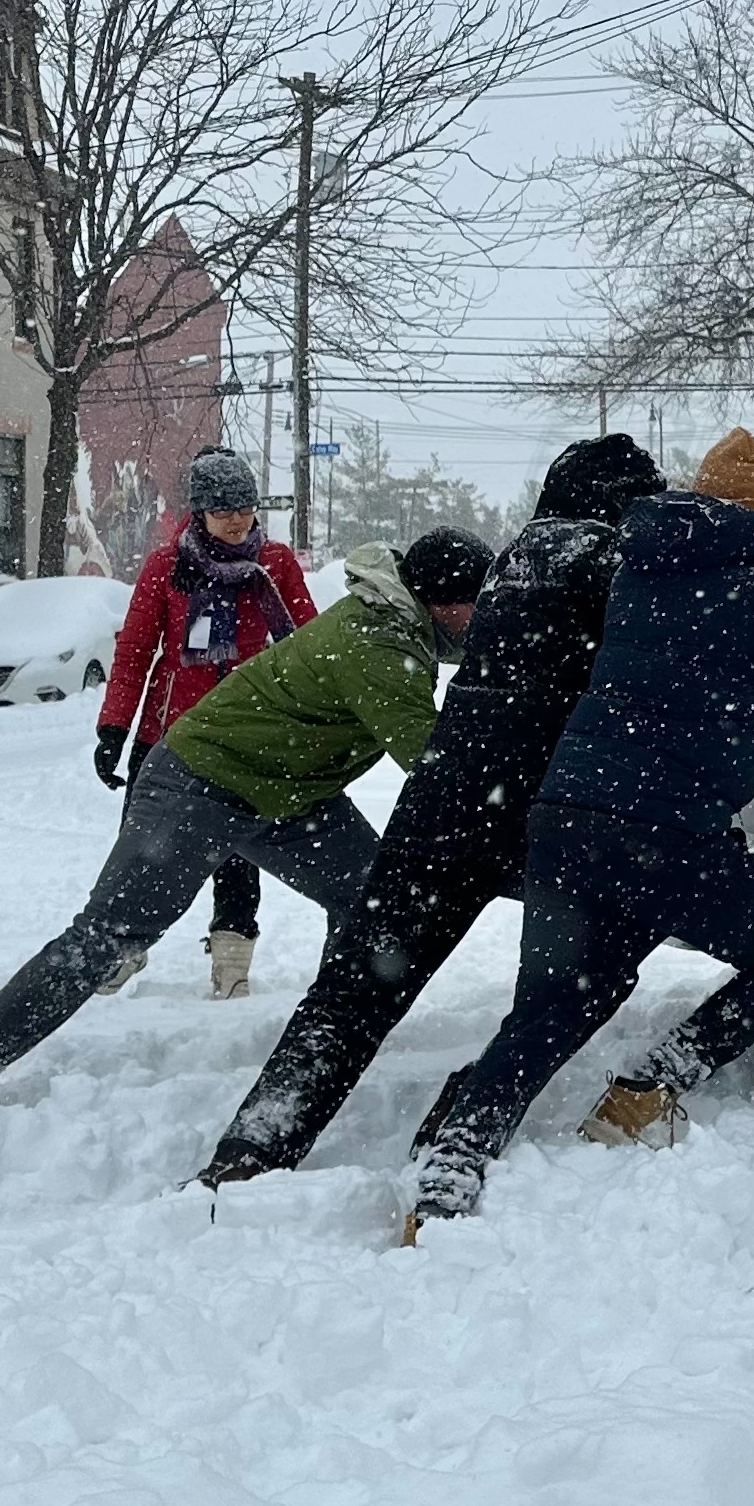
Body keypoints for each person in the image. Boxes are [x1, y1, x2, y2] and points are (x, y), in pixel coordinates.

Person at [405, 429, 754, 1235]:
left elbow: (716, 631)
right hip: (667, 831)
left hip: (567, 817)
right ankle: (645, 1091)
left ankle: (452, 1165)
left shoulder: (639, 573)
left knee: (555, 1003)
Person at [199, 431, 664, 1186]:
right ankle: (467, 1110)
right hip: (531, 818)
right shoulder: (612, 565)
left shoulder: (511, 563)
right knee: (585, 970)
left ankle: (250, 1151)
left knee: (350, 998)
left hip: (440, 808)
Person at [0, 527, 492, 1116]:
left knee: (369, 896)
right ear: (443, 601)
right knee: (112, 935)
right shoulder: (382, 648)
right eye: (481, 605)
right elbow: (438, 769)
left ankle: (326, 1039)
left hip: (283, 795)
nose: (487, 618)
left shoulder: (395, 626)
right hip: (201, 781)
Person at [97, 447, 316, 1000]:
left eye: (244, 507)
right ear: (199, 513)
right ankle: (122, 946)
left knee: (238, 848)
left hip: (245, 731)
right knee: (141, 846)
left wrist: (310, 718)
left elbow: (309, 646)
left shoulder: (276, 564)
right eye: (222, 511)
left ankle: (232, 955)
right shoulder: (165, 568)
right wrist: (114, 730)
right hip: (168, 730)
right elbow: (134, 652)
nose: (236, 519)